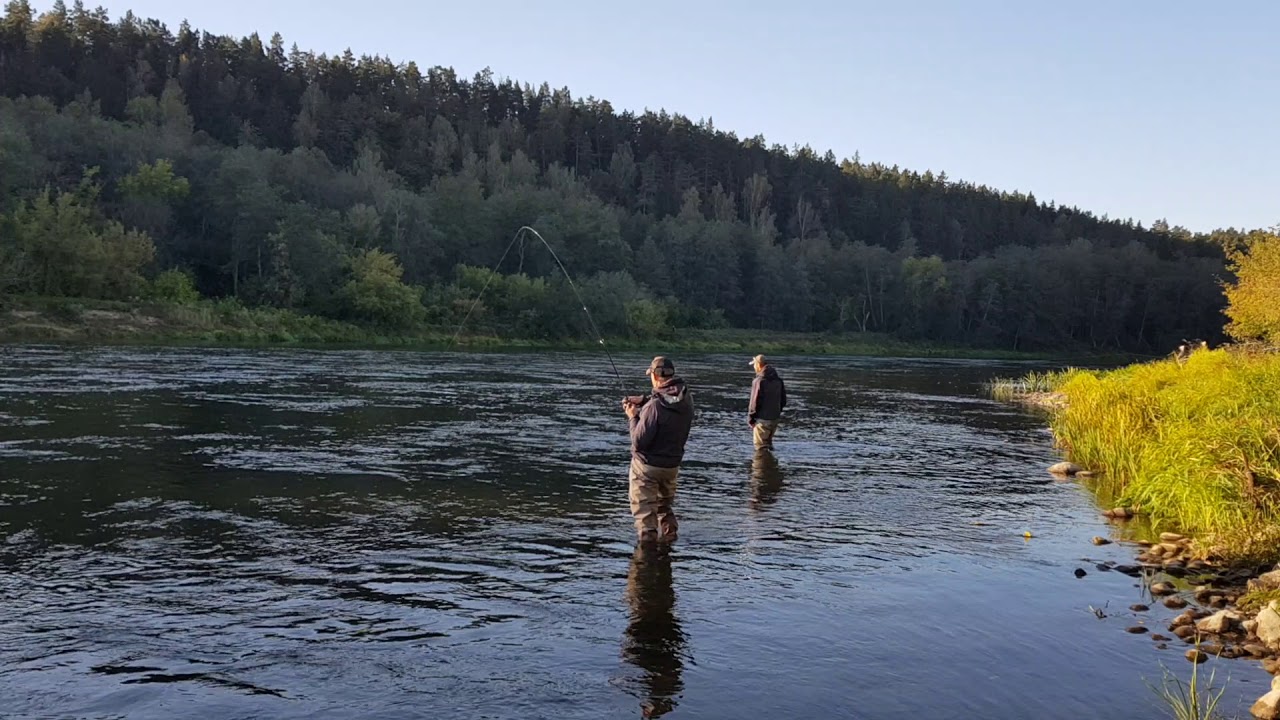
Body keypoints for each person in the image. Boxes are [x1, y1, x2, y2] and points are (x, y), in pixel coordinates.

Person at [622, 356, 694, 545]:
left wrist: (633, 417)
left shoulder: (654, 407)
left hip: (647, 468)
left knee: (645, 518)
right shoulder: (686, 398)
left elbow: (639, 442)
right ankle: (668, 548)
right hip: (671, 466)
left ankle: (646, 561)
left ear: (655, 376)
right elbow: (666, 403)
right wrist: (644, 400)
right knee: (664, 508)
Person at [747, 354, 786, 449]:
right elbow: (783, 400)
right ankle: (771, 463)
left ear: (759, 365)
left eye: (754, 365)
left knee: (760, 448)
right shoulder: (778, 380)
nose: (754, 367)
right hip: (774, 418)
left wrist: (751, 419)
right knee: (768, 446)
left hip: (762, 420)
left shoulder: (758, 381)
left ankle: (762, 464)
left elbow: (754, 402)